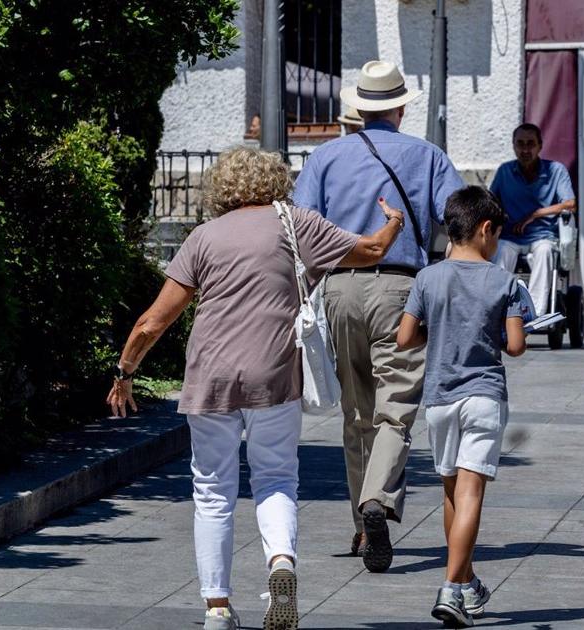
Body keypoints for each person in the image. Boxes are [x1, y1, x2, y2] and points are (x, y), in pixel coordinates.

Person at [106, 147, 404, 630]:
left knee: (212, 491)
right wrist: (393, 223)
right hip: (274, 374)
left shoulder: (203, 237)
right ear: (274, 182)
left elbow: (153, 322)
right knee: (276, 478)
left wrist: (124, 371)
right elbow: (371, 250)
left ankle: (217, 608)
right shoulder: (295, 223)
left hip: (212, 377)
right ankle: (281, 563)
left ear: (222, 188)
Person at [291, 59, 464, 572]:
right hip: (402, 288)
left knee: (356, 410)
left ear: (359, 108)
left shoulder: (325, 157)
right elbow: (462, 220)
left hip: (339, 287)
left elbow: (300, 229)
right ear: (402, 106)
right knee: (397, 405)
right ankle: (378, 502)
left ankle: (361, 528)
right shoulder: (427, 155)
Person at [396, 186, 526, 627]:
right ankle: (451, 588)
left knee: (451, 491)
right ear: (486, 229)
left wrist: (441, 333)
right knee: (472, 493)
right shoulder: (505, 281)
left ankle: (466, 582)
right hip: (483, 395)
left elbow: (404, 338)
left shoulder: (427, 278)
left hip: (439, 398)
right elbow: (515, 345)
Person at [490, 123, 576, 315]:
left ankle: (534, 312)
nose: (525, 149)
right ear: (513, 145)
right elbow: (490, 201)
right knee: (502, 251)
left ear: (540, 146)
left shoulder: (556, 170)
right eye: (520, 144)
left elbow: (570, 203)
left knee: (544, 252)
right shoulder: (505, 171)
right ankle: (499, 307)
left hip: (543, 235)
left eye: (530, 144)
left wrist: (535, 214)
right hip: (512, 235)